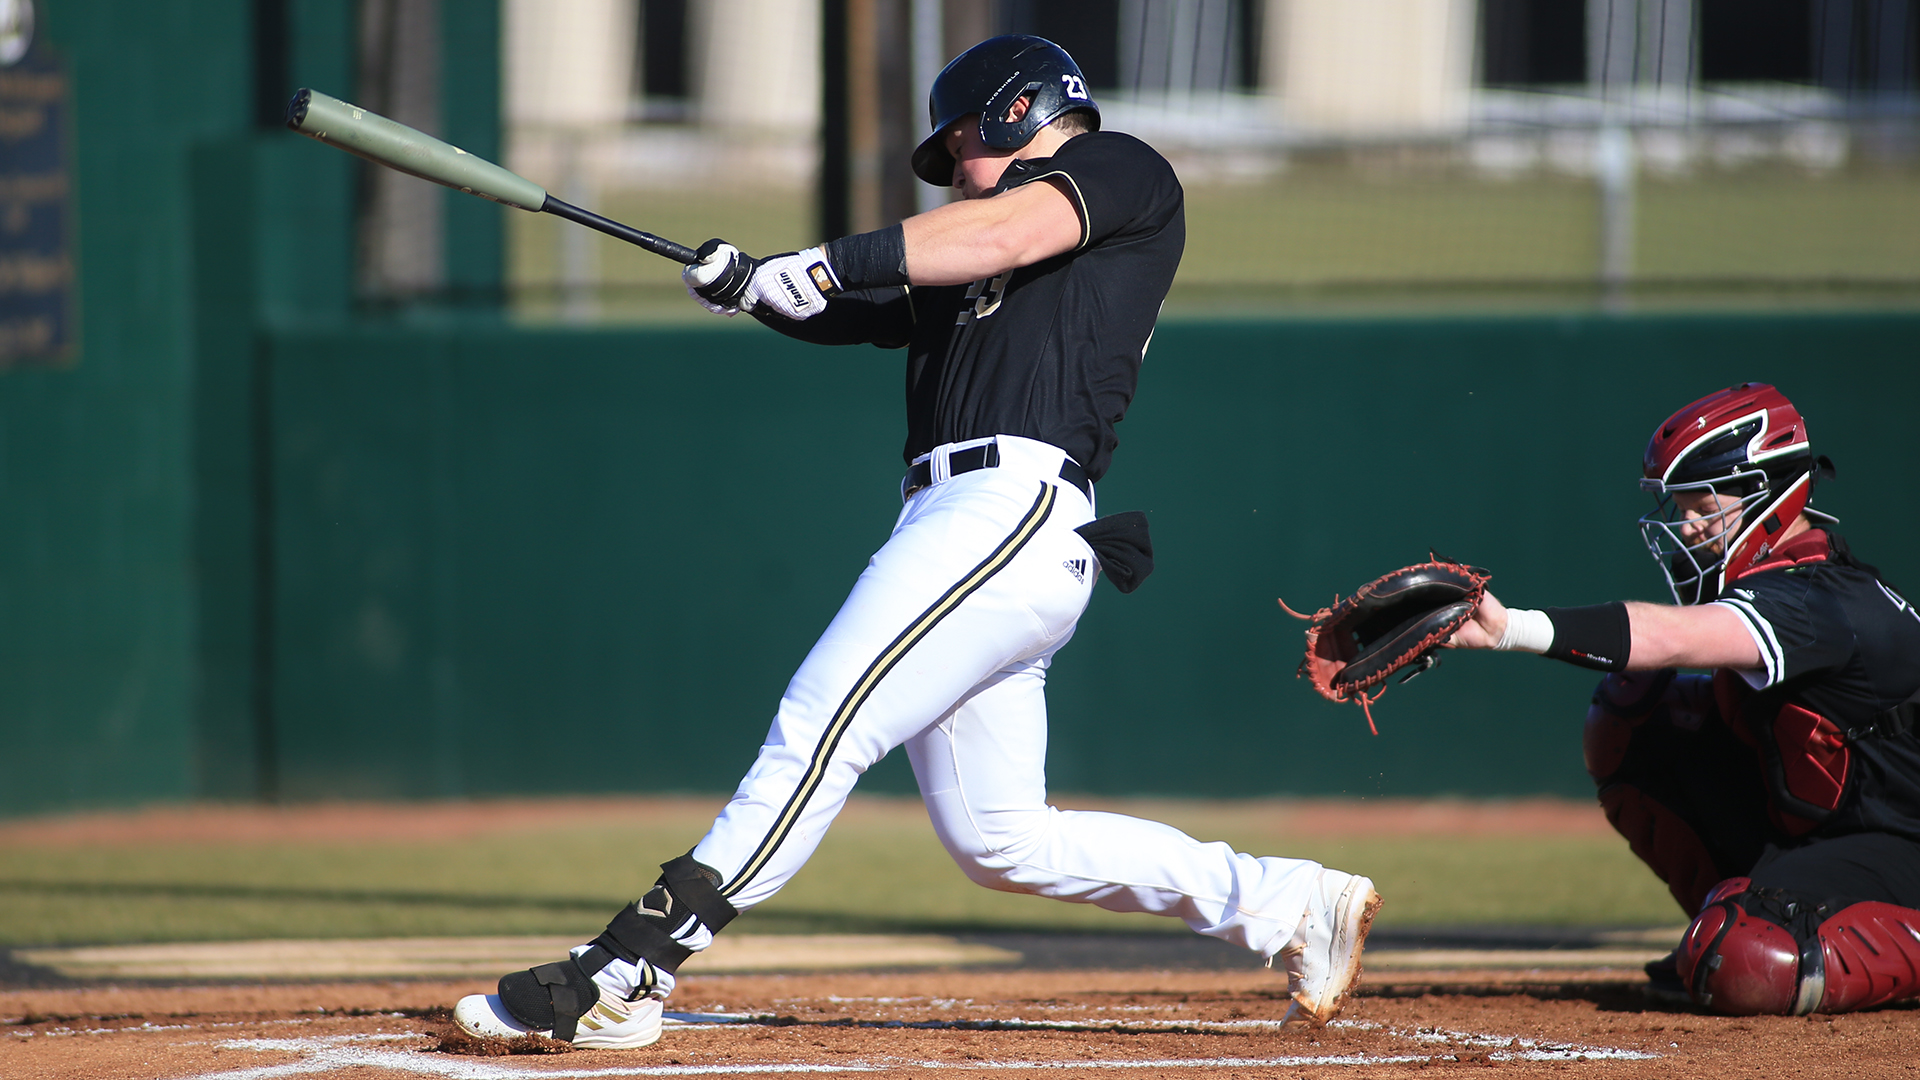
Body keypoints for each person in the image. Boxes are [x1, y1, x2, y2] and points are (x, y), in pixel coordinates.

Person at [452, 35, 1380, 1050]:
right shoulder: (975, 243)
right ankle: (1290, 901)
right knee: (1000, 838)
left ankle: (629, 968)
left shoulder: (1120, 173)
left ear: (1022, 111)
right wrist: (756, 287)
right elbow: (872, 308)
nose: (959, 169)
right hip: (964, 521)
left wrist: (825, 260)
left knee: (821, 725)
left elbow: (991, 235)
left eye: (966, 146)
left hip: (1009, 510)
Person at [1446, 382, 1920, 1015]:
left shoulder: (1819, 597)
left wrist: (1513, 630)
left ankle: (1753, 925)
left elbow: (1670, 638)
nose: (1688, 526)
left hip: (1903, 842)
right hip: (1834, 830)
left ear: (1766, 496)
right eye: (1682, 507)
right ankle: (1731, 916)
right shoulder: (1789, 583)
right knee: (1634, 712)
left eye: (1703, 505)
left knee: (1752, 955)